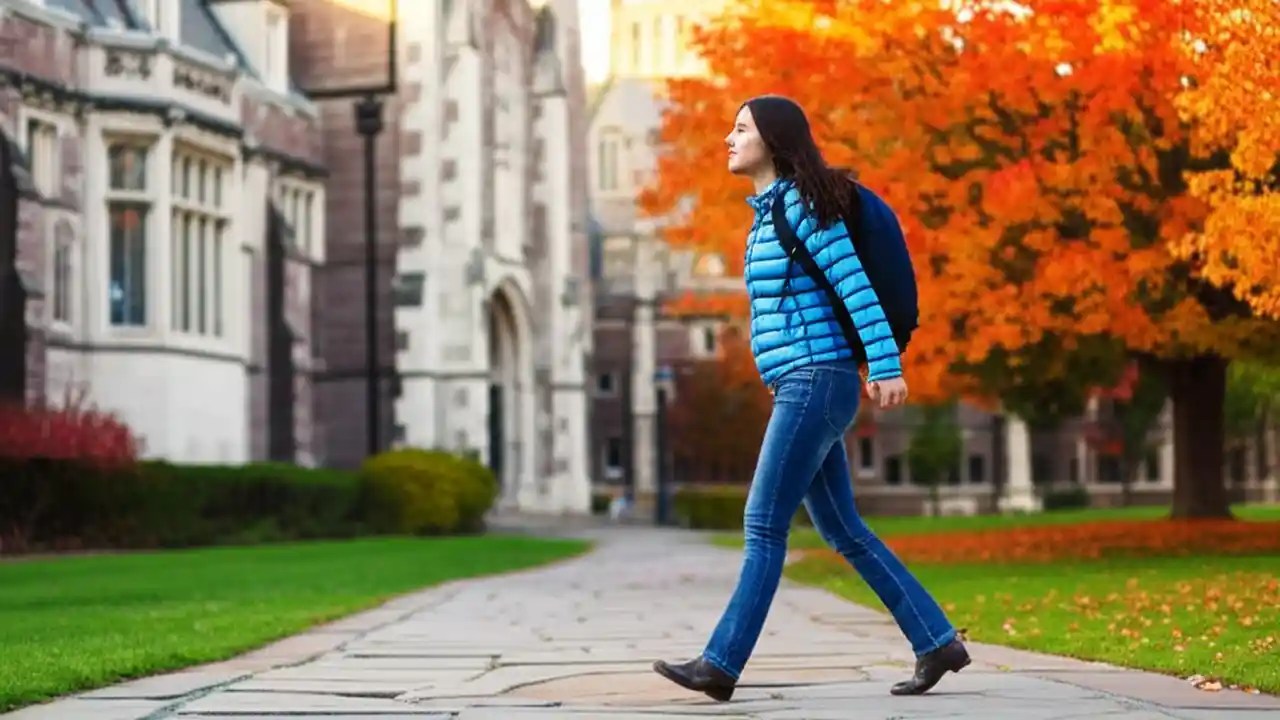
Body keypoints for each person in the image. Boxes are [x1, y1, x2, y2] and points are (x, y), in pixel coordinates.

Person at [652, 95, 969, 702]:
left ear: (772, 140)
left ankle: (721, 664)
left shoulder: (801, 205)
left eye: (740, 128)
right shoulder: (770, 212)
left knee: (763, 524)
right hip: (804, 383)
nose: (727, 138)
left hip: (816, 379)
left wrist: (885, 362)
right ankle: (935, 641)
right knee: (843, 528)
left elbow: (854, 286)